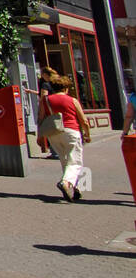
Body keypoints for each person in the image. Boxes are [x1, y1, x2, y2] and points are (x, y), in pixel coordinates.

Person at [36, 71, 90, 201]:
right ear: (66, 88)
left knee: (65, 161)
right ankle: (65, 183)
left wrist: (40, 136)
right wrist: (87, 134)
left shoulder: (46, 100)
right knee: (75, 161)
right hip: (71, 131)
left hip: (54, 133)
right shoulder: (72, 100)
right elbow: (83, 120)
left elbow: (41, 118)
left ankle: (76, 188)